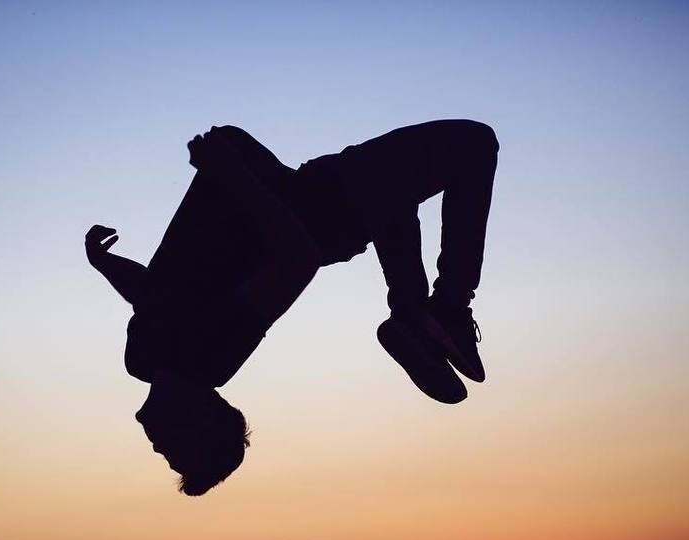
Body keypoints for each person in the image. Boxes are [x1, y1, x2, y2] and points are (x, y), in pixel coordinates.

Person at [86, 120, 499, 495]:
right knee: (474, 145)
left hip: (317, 193)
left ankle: (413, 313)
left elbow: (155, 294)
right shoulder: (212, 358)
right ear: (203, 420)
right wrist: (230, 173)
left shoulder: (141, 358)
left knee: (398, 195)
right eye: (175, 452)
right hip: (329, 208)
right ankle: (446, 307)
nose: (158, 448)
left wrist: (105, 265)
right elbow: (299, 261)